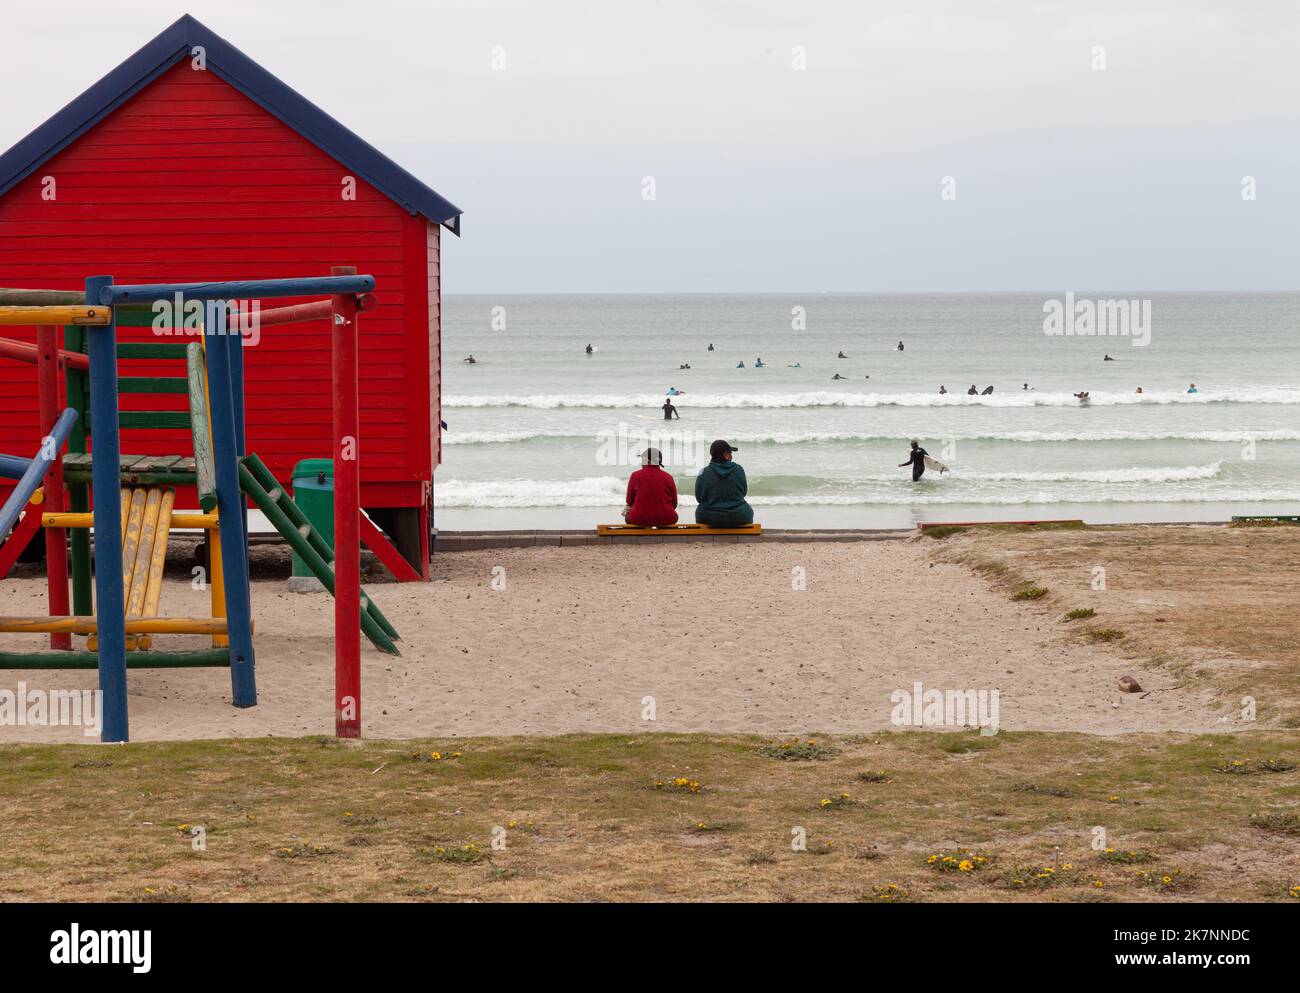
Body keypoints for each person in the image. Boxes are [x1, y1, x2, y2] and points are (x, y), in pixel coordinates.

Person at [695, 440, 753, 527]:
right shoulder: (738, 469)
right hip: (738, 516)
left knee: (699, 511)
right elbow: (744, 493)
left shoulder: (703, 472)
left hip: (709, 518)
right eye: (730, 453)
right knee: (748, 510)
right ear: (725, 455)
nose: (731, 455)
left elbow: (699, 498)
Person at [622, 448, 679, 527]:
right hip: (667, 518)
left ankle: (641, 539)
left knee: (628, 516)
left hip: (639, 519)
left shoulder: (635, 476)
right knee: (667, 518)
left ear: (647, 461)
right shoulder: (668, 477)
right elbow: (674, 504)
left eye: (642, 459)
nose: (641, 462)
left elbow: (629, 501)